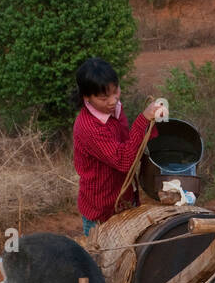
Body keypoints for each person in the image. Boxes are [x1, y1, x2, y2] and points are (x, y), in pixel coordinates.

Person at [71, 59, 165, 237]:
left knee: (130, 256)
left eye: (116, 92)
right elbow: (123, 161)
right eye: (104, 98)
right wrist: (143, 119)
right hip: (101, 213)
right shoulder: (89, 127)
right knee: (104, 262)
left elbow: (128, 142)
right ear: (86, 98)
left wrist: (153, 124)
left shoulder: (114, 110)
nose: (113, 101)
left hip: (125, 201)